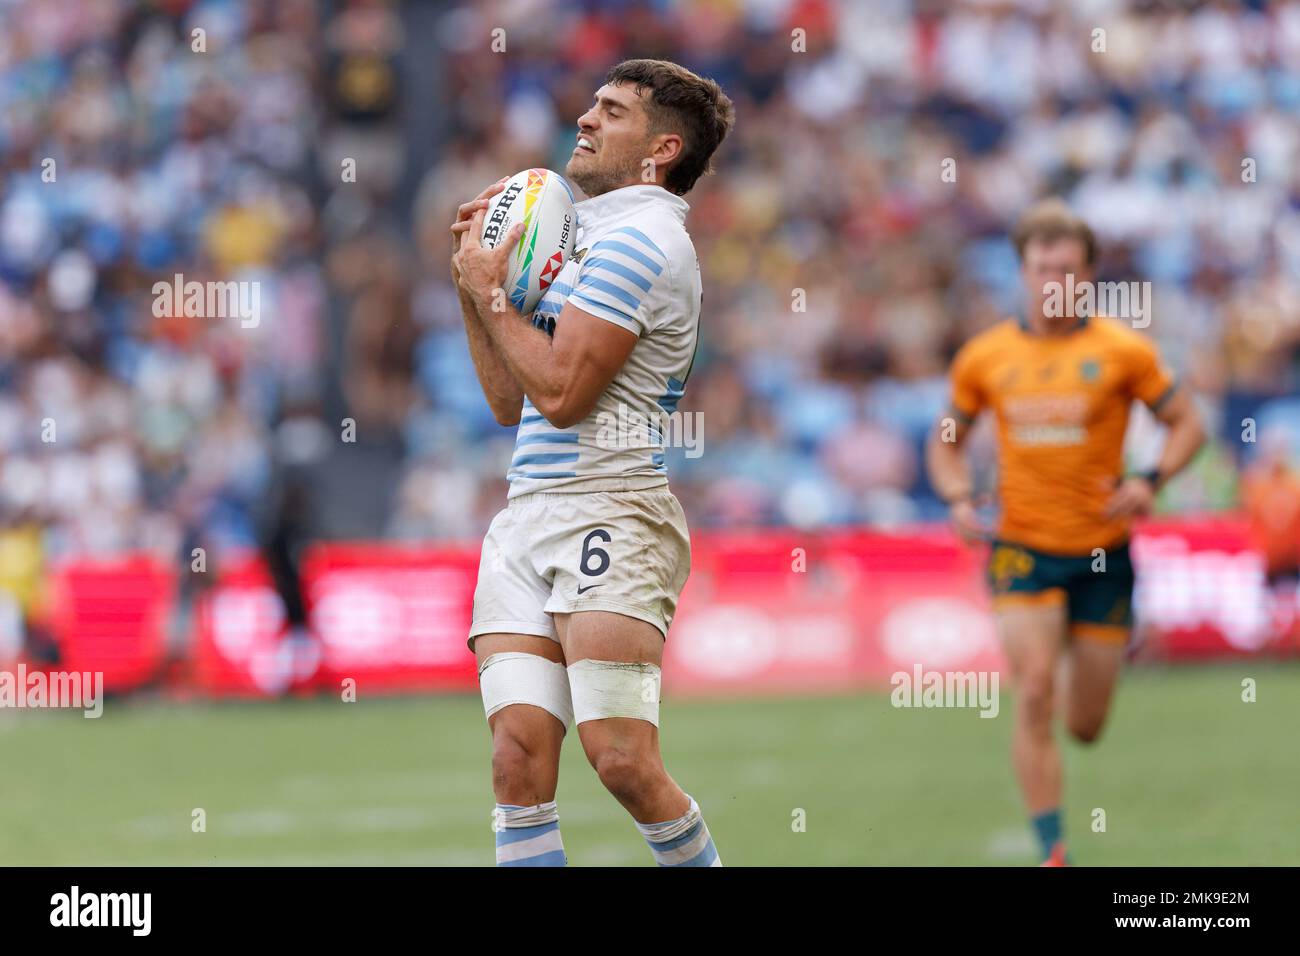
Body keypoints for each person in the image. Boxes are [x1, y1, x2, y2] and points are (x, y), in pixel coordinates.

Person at [449, 59, 734, 867]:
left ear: (662, 148)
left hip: (612, 505)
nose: (585, 118)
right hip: (528, 508)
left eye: (611, 111)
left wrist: (498, 296)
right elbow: (512, 402)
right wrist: (475, 287)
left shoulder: (645, 241)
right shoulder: (589, 233)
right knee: (516, 759)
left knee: (621, 760)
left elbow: (567, 394)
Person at [926, 199, 1205, 865]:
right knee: (1035, 690)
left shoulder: (1123, 351)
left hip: (1104, 554)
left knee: (1084, 725)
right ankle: (1054, 852)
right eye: (1042, 268)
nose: (1056, 282)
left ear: (1088, 275)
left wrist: (1149, 480)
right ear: (1021, 271)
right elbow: (946, 440)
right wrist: (960, 496)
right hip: (1022, 548)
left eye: (1069, 269)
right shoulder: (985, 357)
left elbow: (1188, 422)